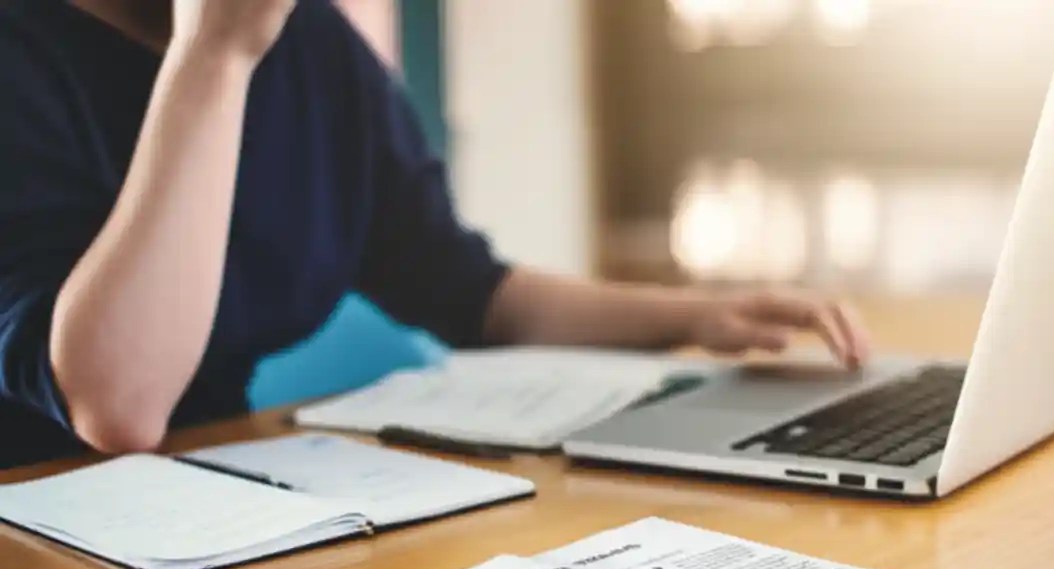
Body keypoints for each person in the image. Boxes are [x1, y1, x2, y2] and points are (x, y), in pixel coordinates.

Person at [0, 0, 870, 469]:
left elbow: (467, 291)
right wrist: (216, 54)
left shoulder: (313, 47)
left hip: (205, 513)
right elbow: (114, 404)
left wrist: (692, 318)